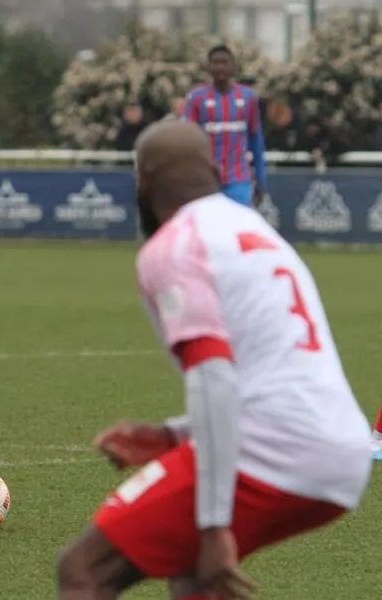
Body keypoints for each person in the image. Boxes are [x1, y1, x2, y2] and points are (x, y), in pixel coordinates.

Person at [56, 120, 372, 599]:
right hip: (342, 449)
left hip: (276, 449)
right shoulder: (252, 228)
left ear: (143, 182)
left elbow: (215, 377)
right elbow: (269, 376)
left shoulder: (175, 245)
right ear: (215, 170)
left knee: (84, 570)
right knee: (191, 576)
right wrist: (172, 435)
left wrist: (214, 525)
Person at [184, 45, 268, 207]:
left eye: (224, 62)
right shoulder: (196, 98)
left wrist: (261, 179)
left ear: (233, 66)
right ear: (208, 67)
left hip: (238, 179)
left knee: (234, 228)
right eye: (215, 63)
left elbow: (256, 140)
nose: (220, 67)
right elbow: (188, 142)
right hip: (205, 179)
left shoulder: (248, 97)